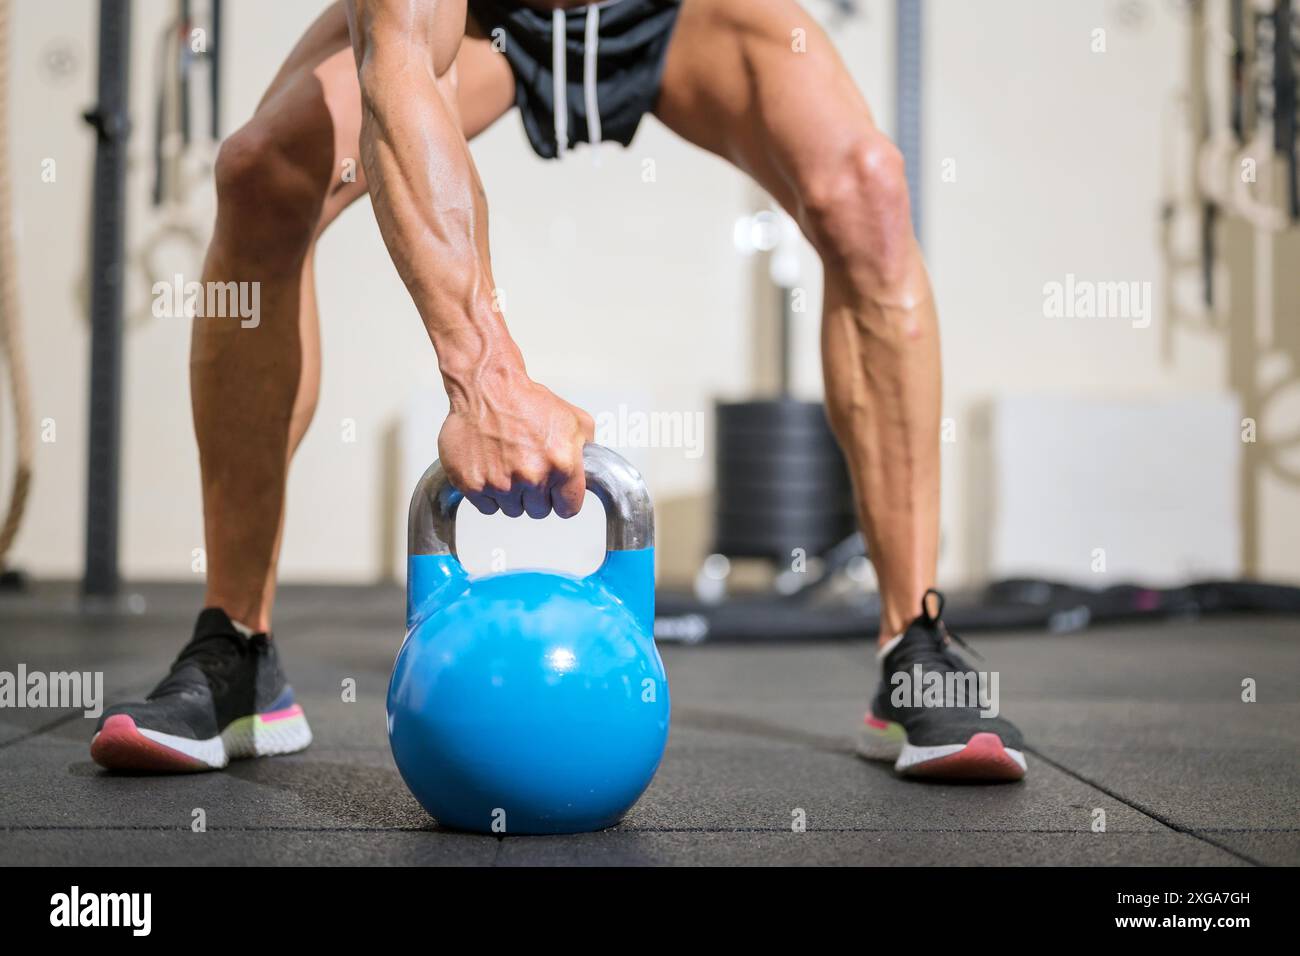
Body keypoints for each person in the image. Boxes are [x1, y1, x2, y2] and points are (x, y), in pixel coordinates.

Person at [90, 0, 1026, 782]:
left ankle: (915, 646)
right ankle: (237, 647)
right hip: (487, 21)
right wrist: (485, 376)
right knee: (261, 172)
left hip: (679, 13)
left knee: (868, 187)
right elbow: (402, 61)